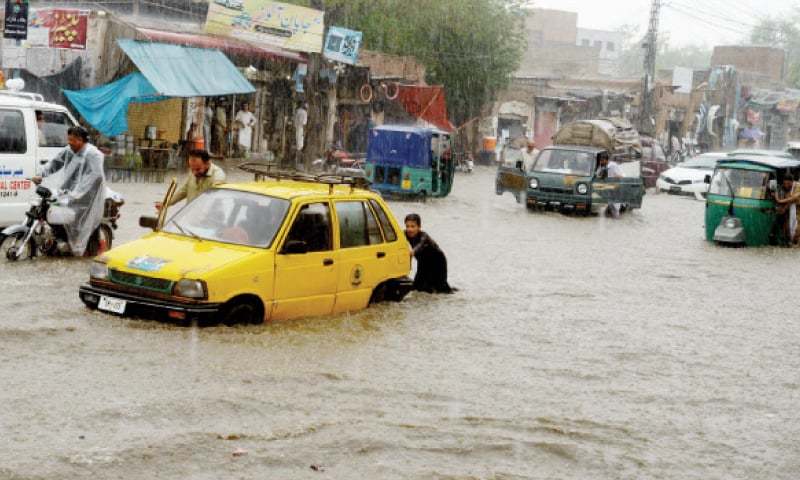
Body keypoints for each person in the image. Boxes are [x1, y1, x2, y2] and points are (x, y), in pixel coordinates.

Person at [32, 126, 106, 256]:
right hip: (69, 192)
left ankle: (82, 249)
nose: (69, 142)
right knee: (53, 211)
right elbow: (55, 163)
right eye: (69, 140)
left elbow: (95, 177)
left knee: (79, 222)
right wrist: (41, 174)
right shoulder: (69, 151)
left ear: (80, 140)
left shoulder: (93, 154)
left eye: (72, 140)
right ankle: (59, 242)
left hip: (88, 196)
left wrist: (77, 194)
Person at [156, 149, 226, 210]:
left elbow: (215, 198)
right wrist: (166, 203)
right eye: (192, 169)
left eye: (198, 169)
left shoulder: (218, 176)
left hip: (209, 219)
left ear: (207, 164)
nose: (194, 173)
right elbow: (184, 191)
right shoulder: (193, 172)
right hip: (191, 215)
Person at [404, 213, 454, 294]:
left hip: (438, 261)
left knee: (441, 288)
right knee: (418, 287)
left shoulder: (424, 236)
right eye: (407, 226)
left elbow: (420, 244)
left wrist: (413, 252)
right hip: (423, 261)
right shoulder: (405, 234)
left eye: (413, 226)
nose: (410, 229)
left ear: (419, 227)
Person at [595, 151, 625, 218]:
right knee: (608, 208)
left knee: (615, 207)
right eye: (600, 161)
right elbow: (598, 175)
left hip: (614, 188)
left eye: (602, 161)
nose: (601, 162)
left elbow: (621, 176)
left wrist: (614, 178)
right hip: (607, 189)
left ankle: (616, 219)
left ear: (606, 160)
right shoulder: (601, 166)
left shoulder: (613, 165)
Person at [773, 173, 800, 245]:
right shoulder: (787, 189)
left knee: (796, 231)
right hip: (793, 211)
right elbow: (789, 202)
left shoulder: (798, 186)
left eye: (787, 183)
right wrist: (783, 209)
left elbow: (793, 198)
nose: (786, 185)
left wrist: (779, 200)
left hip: (798, 211)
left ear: (791, 182)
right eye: (784, 183)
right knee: (790, 230)